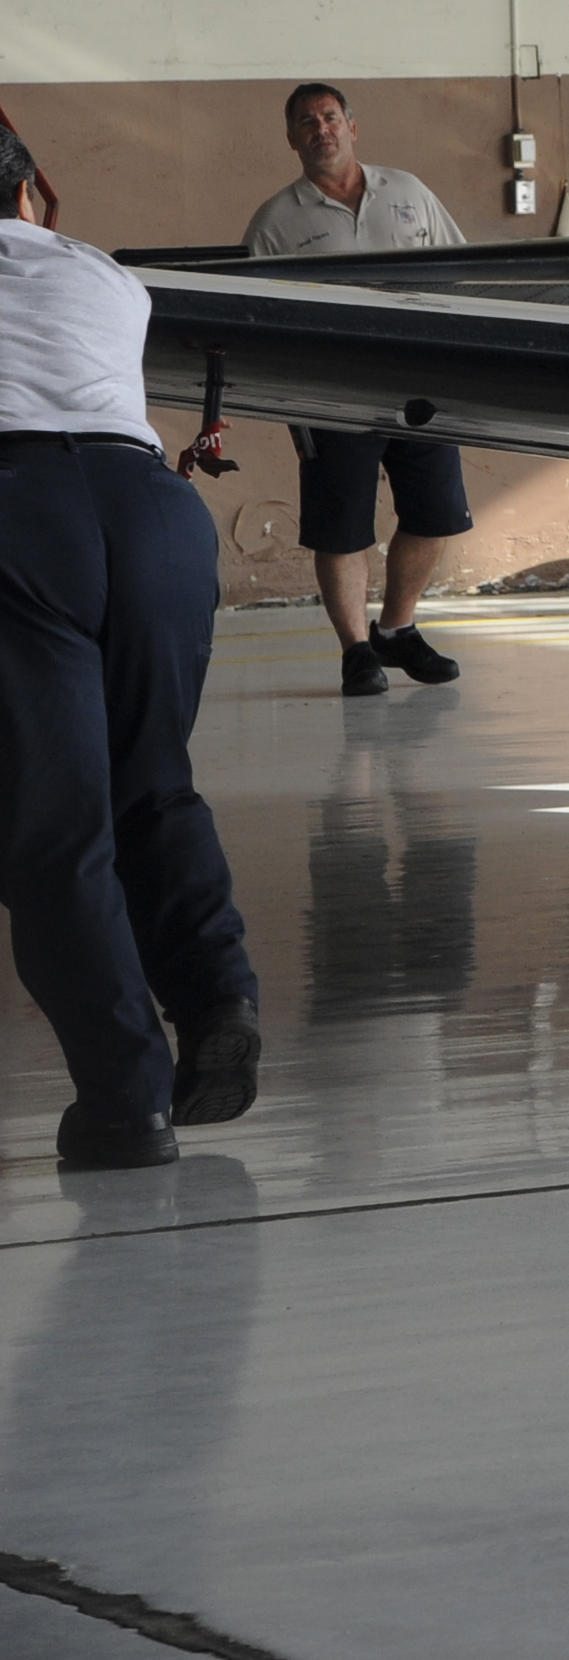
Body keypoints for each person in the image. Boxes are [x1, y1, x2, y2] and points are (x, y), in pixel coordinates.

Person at [0, 117, 264, 1170]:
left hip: (20, 523)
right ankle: (216, 1002)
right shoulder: (103, 276)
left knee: (54, 827)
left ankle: (124, 1099)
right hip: (152, 515)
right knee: (152, 783)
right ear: (28, 193)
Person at [243, 85, 473, 699]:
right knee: (341, 527)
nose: (321, 129)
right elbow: (260, 319)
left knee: (436, 514)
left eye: (330, 117)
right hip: (331, 393)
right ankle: (356, 652)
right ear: (291, 138)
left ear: (352, 127)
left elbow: (463, 273)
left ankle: (398, 628)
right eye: (306, 122)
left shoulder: (409, 192)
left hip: (420, 383)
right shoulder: (274, 223)